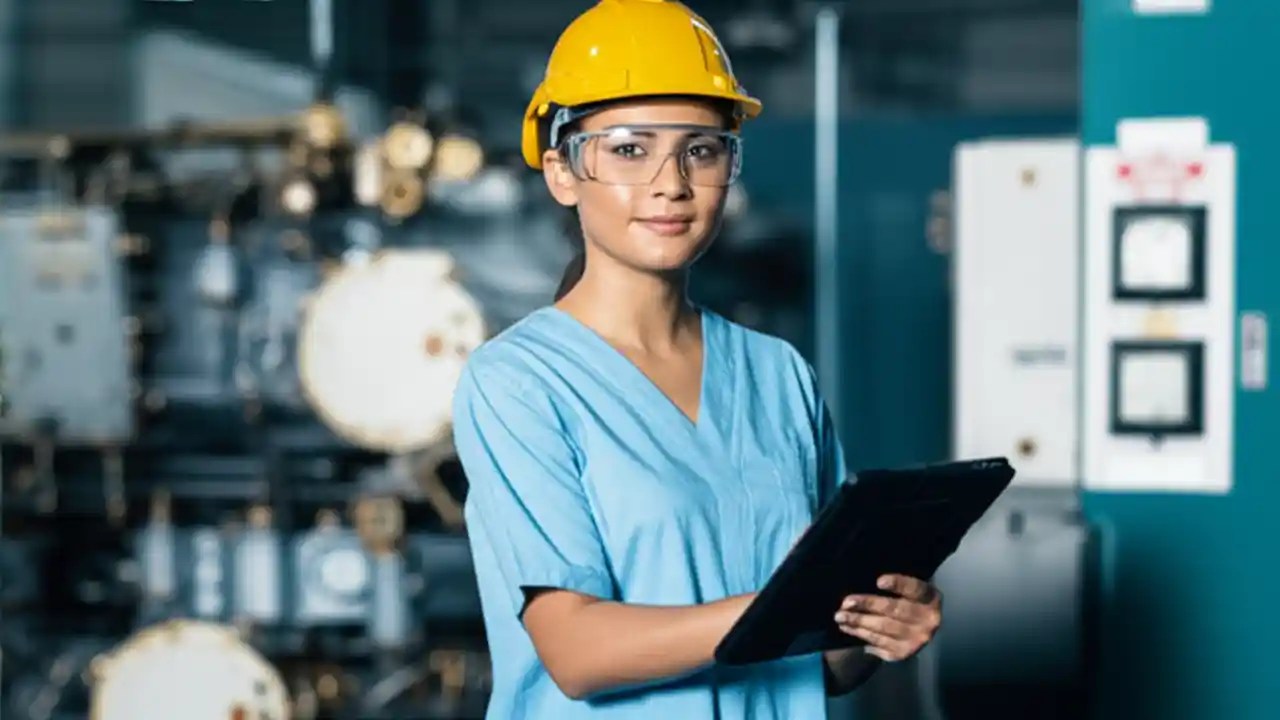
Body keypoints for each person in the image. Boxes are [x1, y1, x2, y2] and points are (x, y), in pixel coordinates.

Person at [451, 1, 943, 717]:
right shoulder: (519, 384)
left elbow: (825, 663)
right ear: (562, 171)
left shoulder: (779, 376)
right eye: (628, 148)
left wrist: (876, 626)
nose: (671, 183)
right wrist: (789, 605)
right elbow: (578, 653)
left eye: (701, 149)